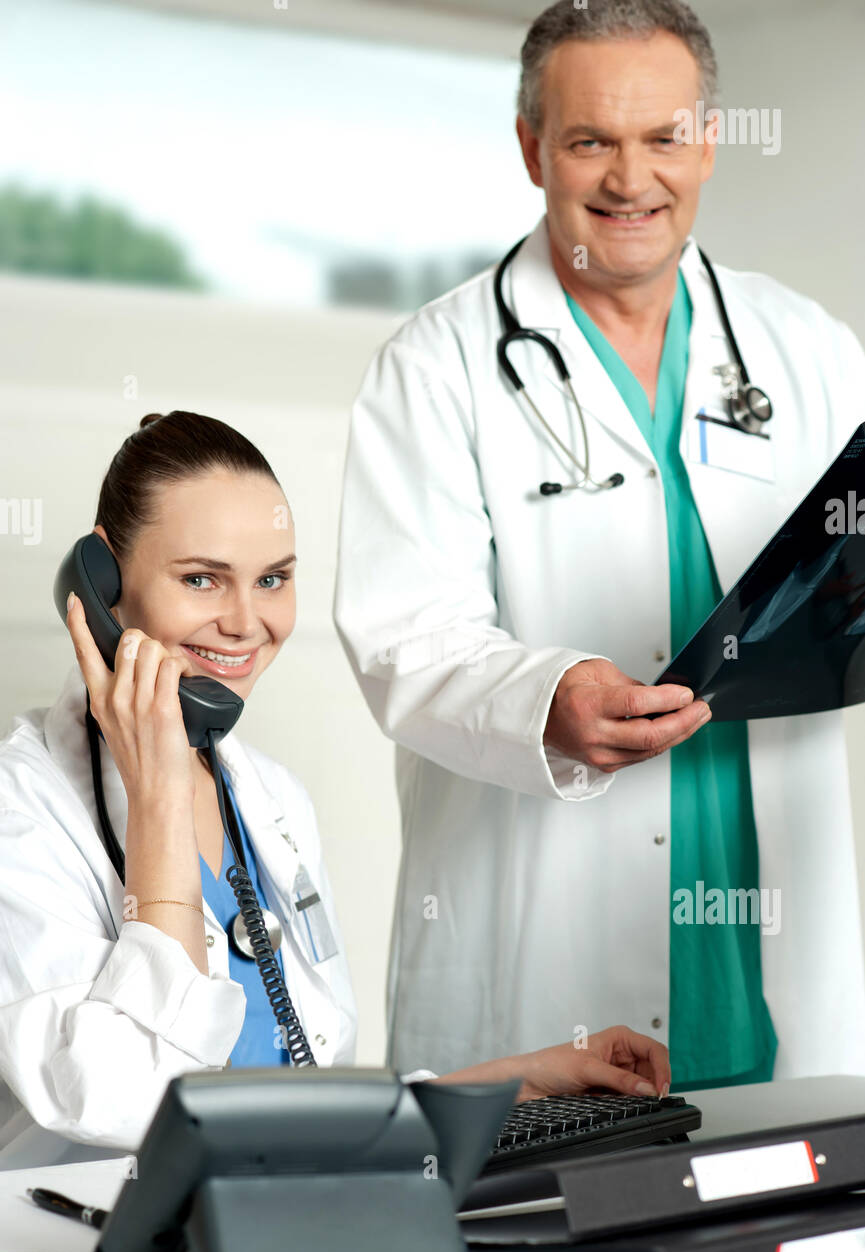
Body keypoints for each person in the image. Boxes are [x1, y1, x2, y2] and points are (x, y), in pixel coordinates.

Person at [333, 0, 865, 1083]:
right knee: (540, 1247)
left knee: (790, 1234)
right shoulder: (437, 365)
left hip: (764, 939)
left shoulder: (805, 349)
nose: (632, 180)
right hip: (542, 962)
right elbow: (402, 639)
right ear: (532, 148)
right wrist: (548, 696)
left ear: (707, 141)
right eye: (590, 141)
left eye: (663, 136)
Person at [0, 410, 668, 1170]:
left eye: (273, 579)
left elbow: (296, 1093)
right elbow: (130, 1097)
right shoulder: (21, 809)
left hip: (275, 1231)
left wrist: (512, 1082)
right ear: (100, 581)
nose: (247, 623)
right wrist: (157, 805)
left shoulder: (271, 799)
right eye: (200, 579)